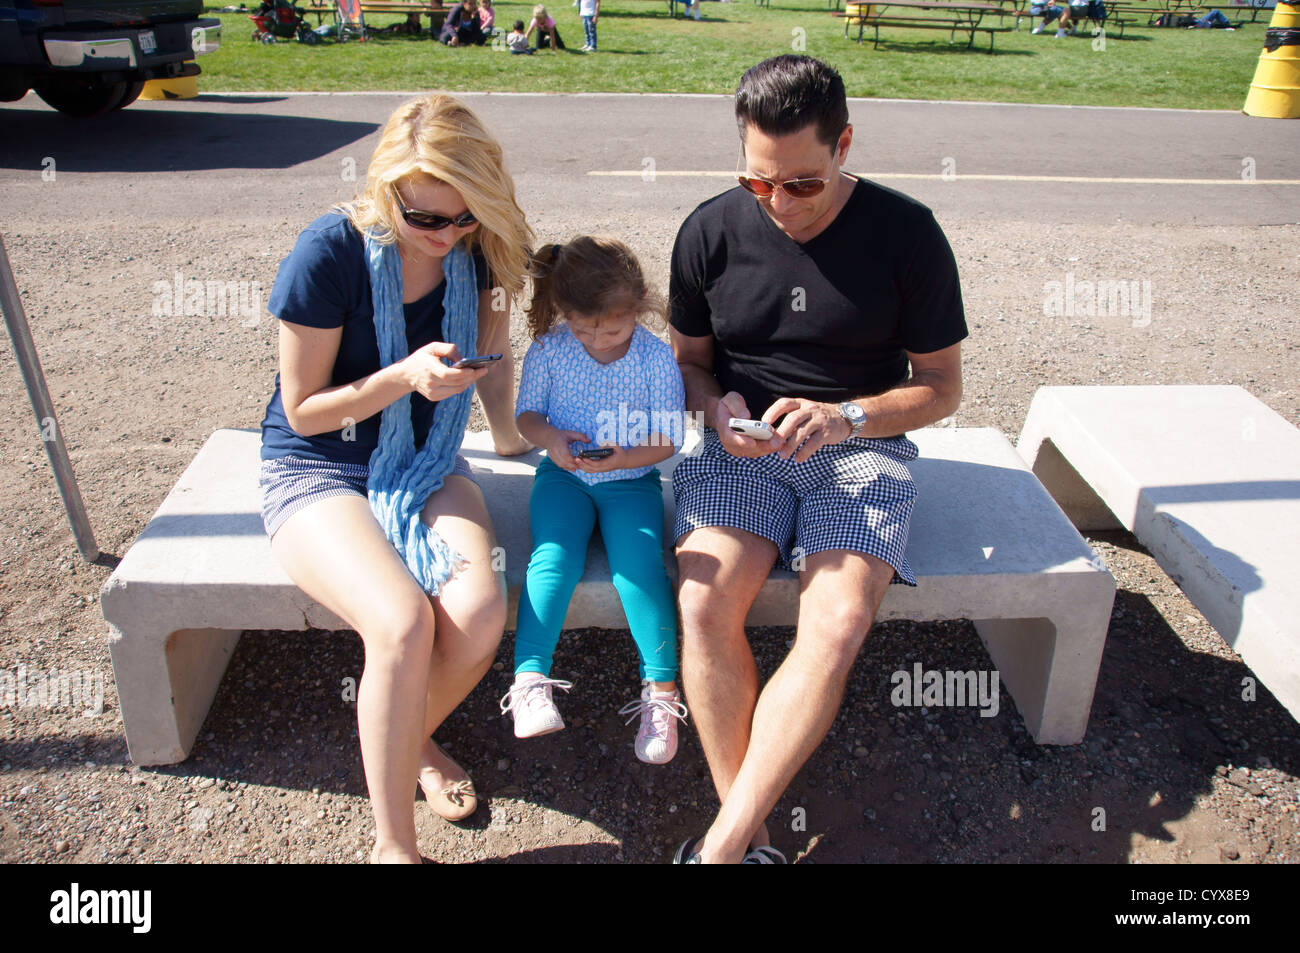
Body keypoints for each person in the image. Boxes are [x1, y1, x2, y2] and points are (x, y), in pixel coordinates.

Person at [667, 55, 966, 863]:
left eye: (802, 183)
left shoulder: (907, 232)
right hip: (746, 447)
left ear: (844, 145)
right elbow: (689, 362)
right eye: (758, 182)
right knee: (702, 605)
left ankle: (723, 847)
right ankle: (753, 838)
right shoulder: (709, 229)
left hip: (860, 447)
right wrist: (712, 406)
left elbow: (941, 388)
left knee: (835, 623)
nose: (778, 204)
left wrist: (848, 415)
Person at [257, 94, 534, 864]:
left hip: (424, 459)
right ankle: (393, 844)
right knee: (404, 622)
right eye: (427, 220)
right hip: (316, 465)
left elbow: (490, 358)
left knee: (479, 614)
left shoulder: (480, 252)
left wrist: (510, 436)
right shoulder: (328, 252)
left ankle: (403, 740)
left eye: (465, 217)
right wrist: (404, 377)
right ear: (385, 193)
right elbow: (304, 411)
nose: (448, 237)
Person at [500, 237, 689, 763]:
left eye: (612, 327)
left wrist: (624, 459)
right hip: (563, 477)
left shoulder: (654, 358)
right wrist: (553, 440)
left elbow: (670, 438)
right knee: (553, 556)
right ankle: (530, 680)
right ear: (564, 312)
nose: (598, 339)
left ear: (638, 307)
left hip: (632, 481)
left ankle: (661, 694)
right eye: (584, 328)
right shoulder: (550, 349)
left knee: (641, 569)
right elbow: (528, 417)